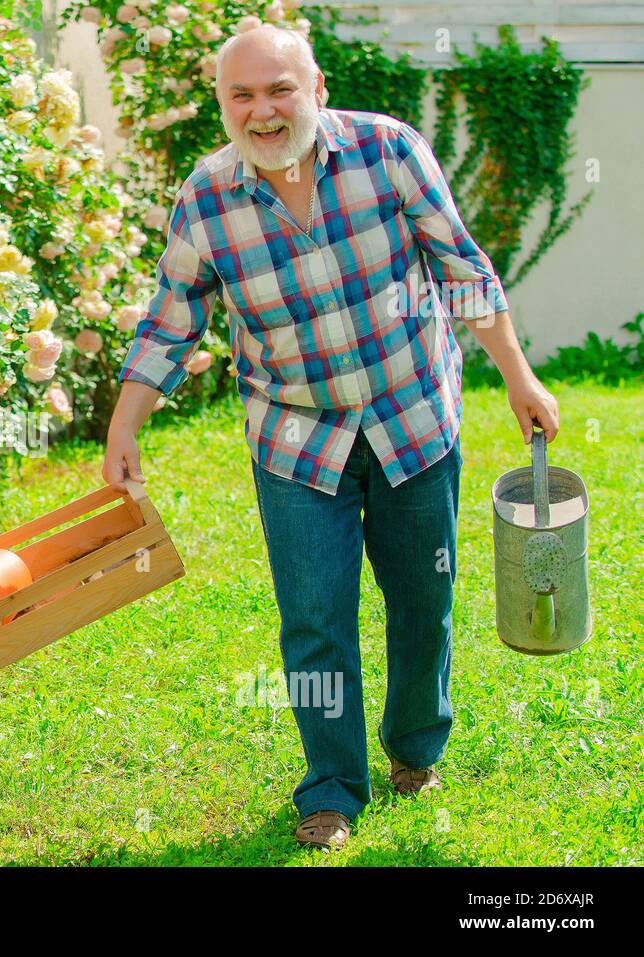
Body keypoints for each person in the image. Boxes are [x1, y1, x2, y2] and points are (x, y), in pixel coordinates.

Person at [102, 24, 559, 851]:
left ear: (315, 89)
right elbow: (171, 322)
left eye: (279, 89)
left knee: (423, 602)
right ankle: (332, 785)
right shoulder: (207, 197)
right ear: (222, 105)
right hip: (295, 438)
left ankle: (416, 748)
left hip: (412, 416)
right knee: (314, 619)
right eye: (242, 95)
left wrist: (517, 376)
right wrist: (125, 423)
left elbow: (461, 270)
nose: (263, 110)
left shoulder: (388, 152)